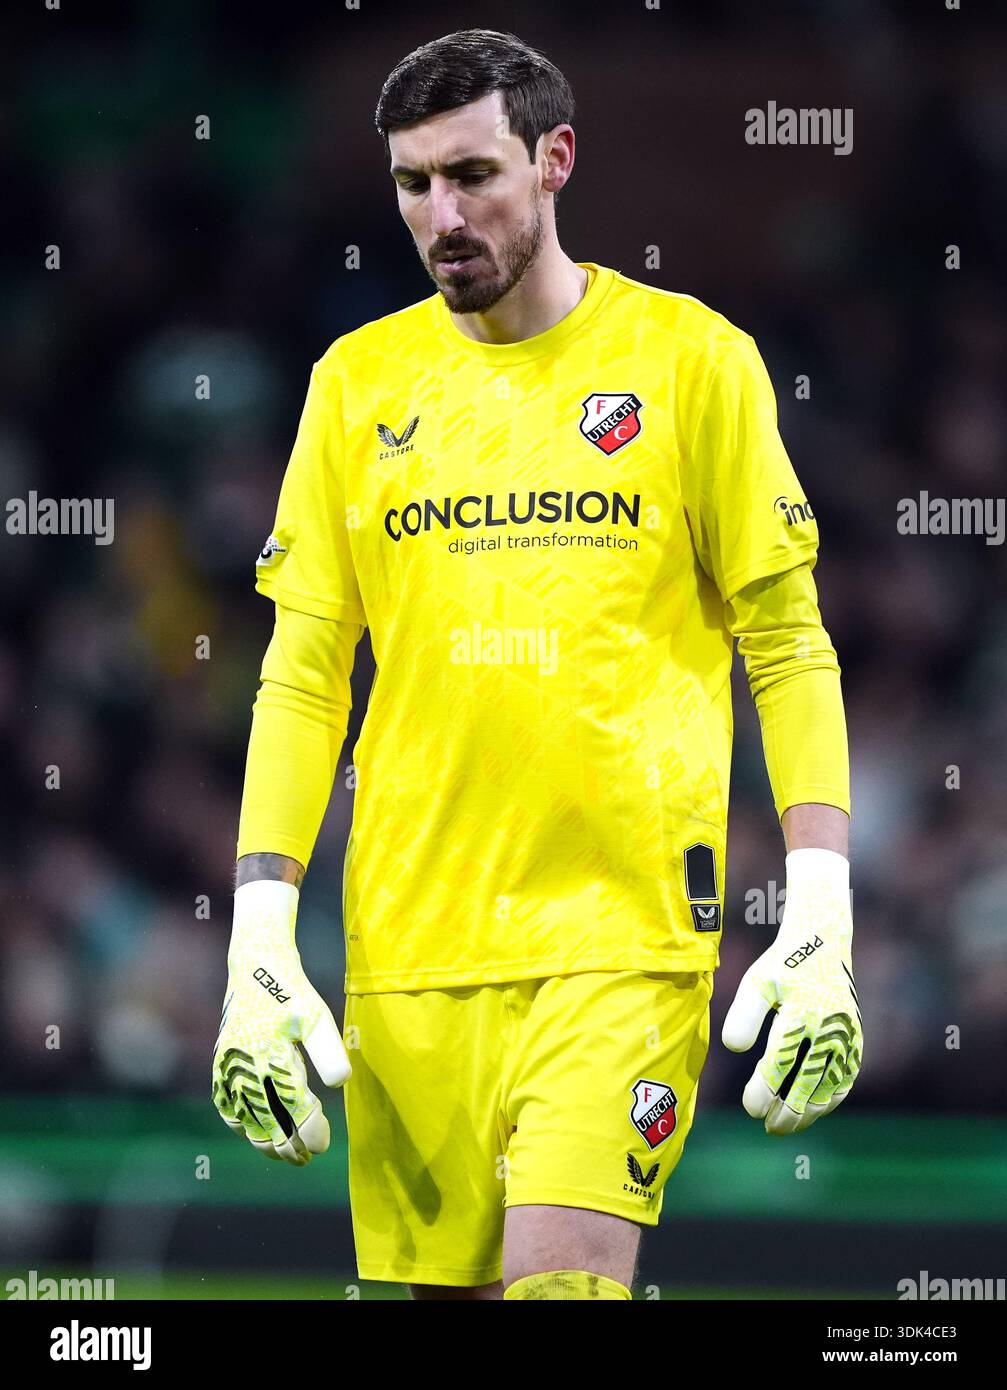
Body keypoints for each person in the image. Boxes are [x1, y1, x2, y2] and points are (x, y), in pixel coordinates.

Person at [212, 28, 862, 1302]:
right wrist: (257, 937)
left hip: (620, 938)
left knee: (563, 1288)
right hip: (407, 951)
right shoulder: (355, 387)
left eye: (472, 175)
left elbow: (785, 645)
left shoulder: (691, 365)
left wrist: (824, 908)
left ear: (554, 159)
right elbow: (301, 674)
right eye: (411, 185)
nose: (440, 215)